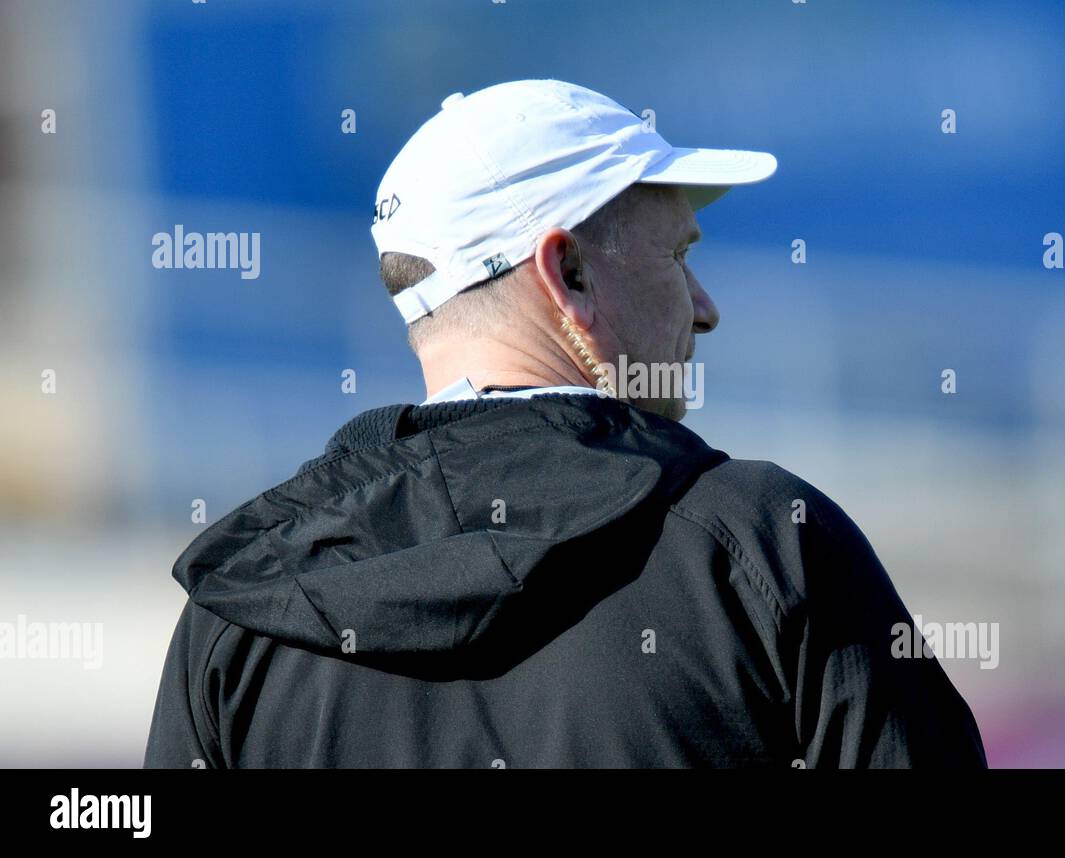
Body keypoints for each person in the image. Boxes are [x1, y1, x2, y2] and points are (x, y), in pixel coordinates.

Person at [144, 79, 986, 768]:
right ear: (569, 272)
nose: (705, 309)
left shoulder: (242, 610)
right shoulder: (757, 544)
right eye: (680, 255)